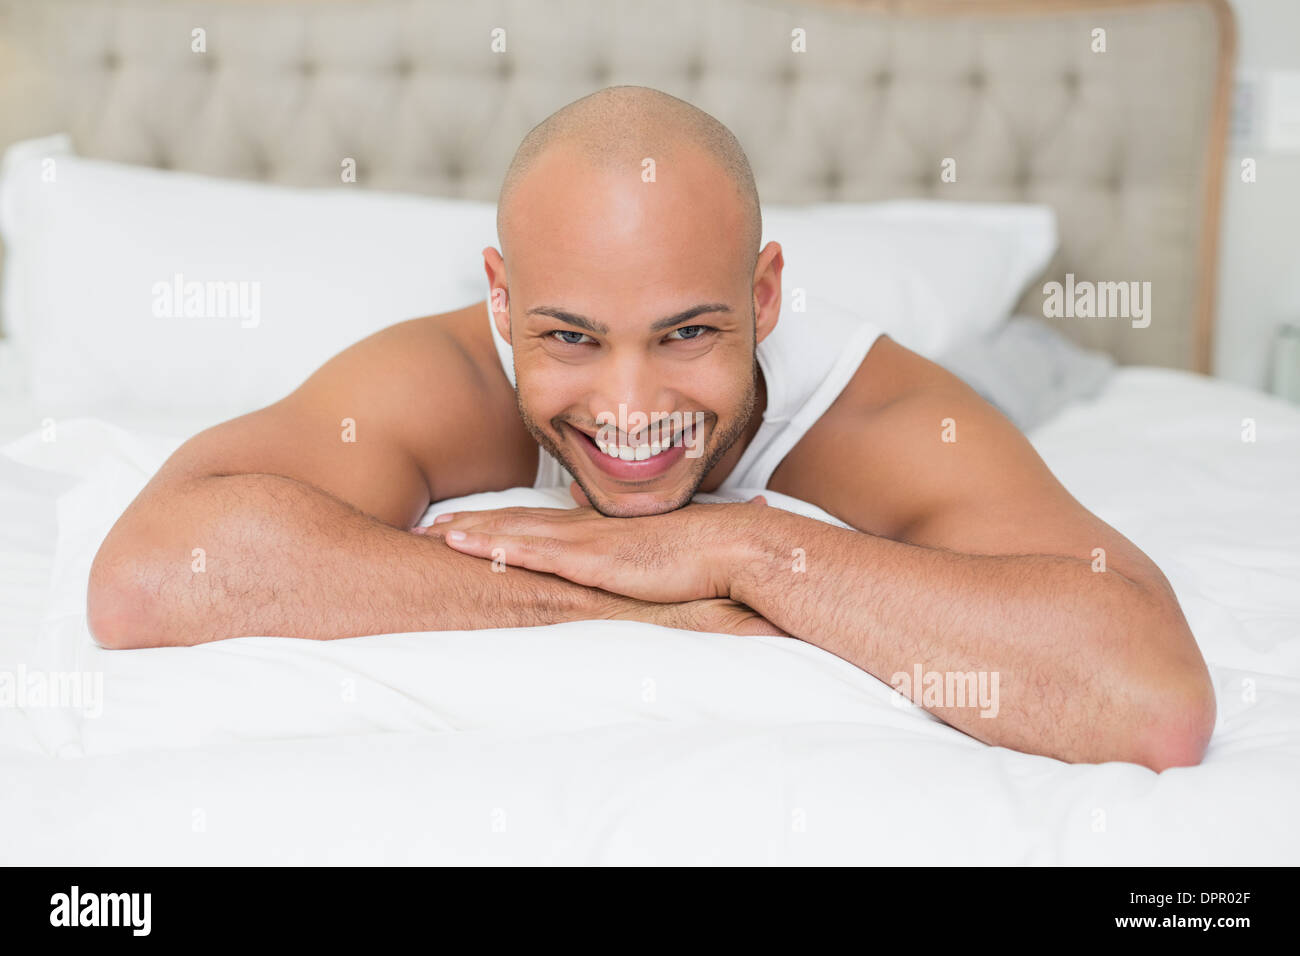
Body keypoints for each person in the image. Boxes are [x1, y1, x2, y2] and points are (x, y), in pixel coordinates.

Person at [87, 86, 1214, 770]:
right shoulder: (443, 374)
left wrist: (748, 548)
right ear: (500, 301)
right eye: (570, 337)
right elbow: (147, 576)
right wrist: (631, 590)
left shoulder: (885, 413)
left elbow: (1153, 702)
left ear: (764, 297)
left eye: (686, 333)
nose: (628, 409)